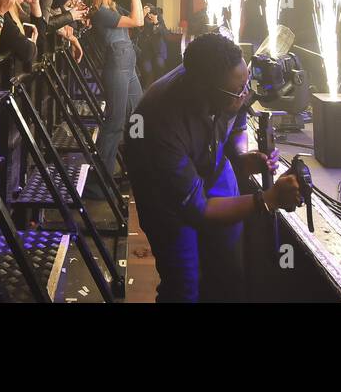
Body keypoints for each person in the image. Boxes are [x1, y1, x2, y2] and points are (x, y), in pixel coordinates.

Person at [125, 32, 304, 302]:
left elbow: (233, 120)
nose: (245, 94)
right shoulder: (159, 123)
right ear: (205, 90)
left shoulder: (227, 86)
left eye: (246, 84)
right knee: (184, 284)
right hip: (163, 196)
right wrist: (269, 199)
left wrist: (239, 158)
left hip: (205, 164)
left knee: (227, 267)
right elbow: (200, 210)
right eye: (238, 91)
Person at [81, 0, 146, 200]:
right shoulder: (99, 12)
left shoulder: (112, 8)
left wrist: (143, 8)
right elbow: (136, 21)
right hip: (117, 67)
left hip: (128, 65)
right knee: (114, 123)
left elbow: (138, 20)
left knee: (138, 115)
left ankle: (137, 163)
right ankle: (98, 182)